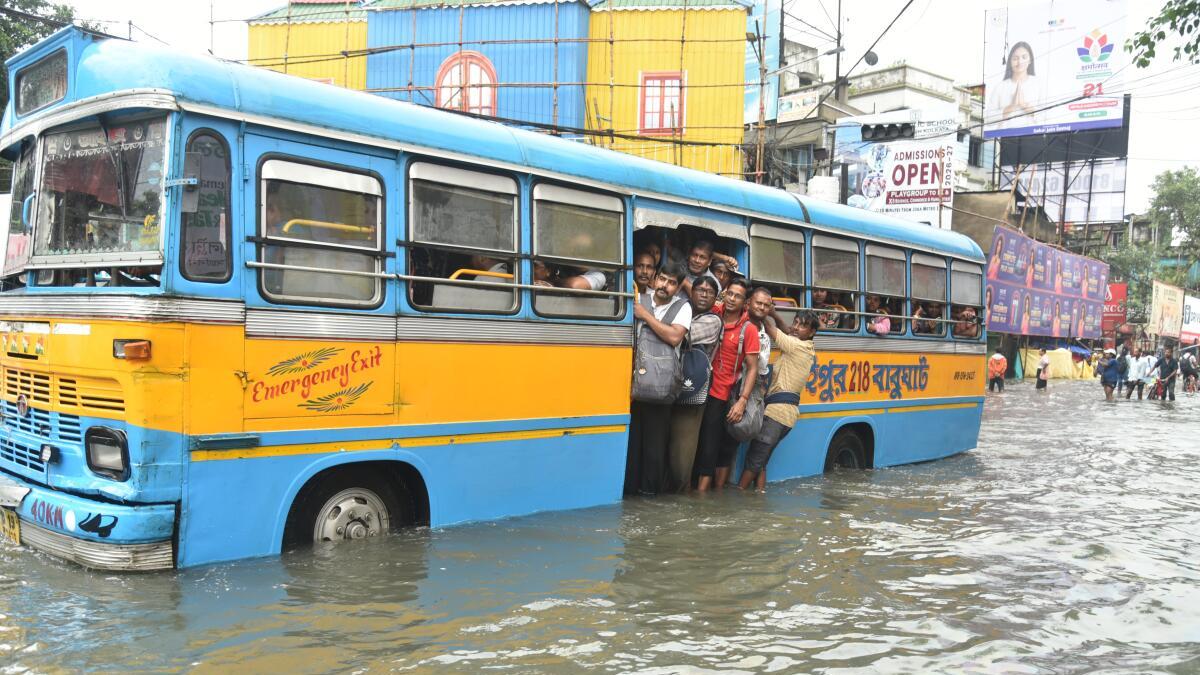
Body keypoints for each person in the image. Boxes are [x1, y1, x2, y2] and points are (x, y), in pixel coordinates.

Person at [625, 262, 692, 496]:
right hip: (633, 385)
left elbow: (674, 337)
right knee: (632, 447)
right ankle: (630, 494)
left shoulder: (683, 307)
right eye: (662, 279)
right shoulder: (638, 298)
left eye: (672, 282)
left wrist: (645, 316)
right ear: (655, 279)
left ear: (678, 287)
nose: (665, 285)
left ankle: (649, 497)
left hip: (662, 388)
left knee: (654, 449)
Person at [738, 309, 819, 491]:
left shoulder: (796, 346)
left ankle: (739, 494)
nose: (796, 327)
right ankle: (759, 495)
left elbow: (770, 329)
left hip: (776, 413)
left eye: (803, 325)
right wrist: (774, 314)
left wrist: (761, 311)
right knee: (762, 462)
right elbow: (786, 330)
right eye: (795, 322)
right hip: (786, 414)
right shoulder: (805, 346)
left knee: (754, 460)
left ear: (812, 332)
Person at [693, 278, 759, 493]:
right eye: (729, 293)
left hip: (722, 393)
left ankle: (703, 494)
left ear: (745, 302)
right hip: (699, 386)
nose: (732, 299)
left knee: (711, 445)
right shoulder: (714, 312)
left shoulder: (749, 329)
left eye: (737, 296)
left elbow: (753, 368)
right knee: (698, 441)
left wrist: (743, 401)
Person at [666, 276, 722, 493]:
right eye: (700, 290)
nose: (704, 295)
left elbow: (677, 335)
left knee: (682, 451)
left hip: (692, 391)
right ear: (692, 292)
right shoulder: (681, 309)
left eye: (710, 292)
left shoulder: (712, 321)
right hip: (666, 384)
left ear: (715, 298)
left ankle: (681, 494)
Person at [989, 41, 1039, 126]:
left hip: (1033, 132)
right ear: (1010, 61)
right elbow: (988, 118)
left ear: (1030, 60)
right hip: (1004, 133)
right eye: (1015, 58)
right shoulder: (1000, 87)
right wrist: (1011, 107)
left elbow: (1049, 116)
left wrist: (1025, 106)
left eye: (1024, 57)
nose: (1020, 62)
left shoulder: (1038, 84)